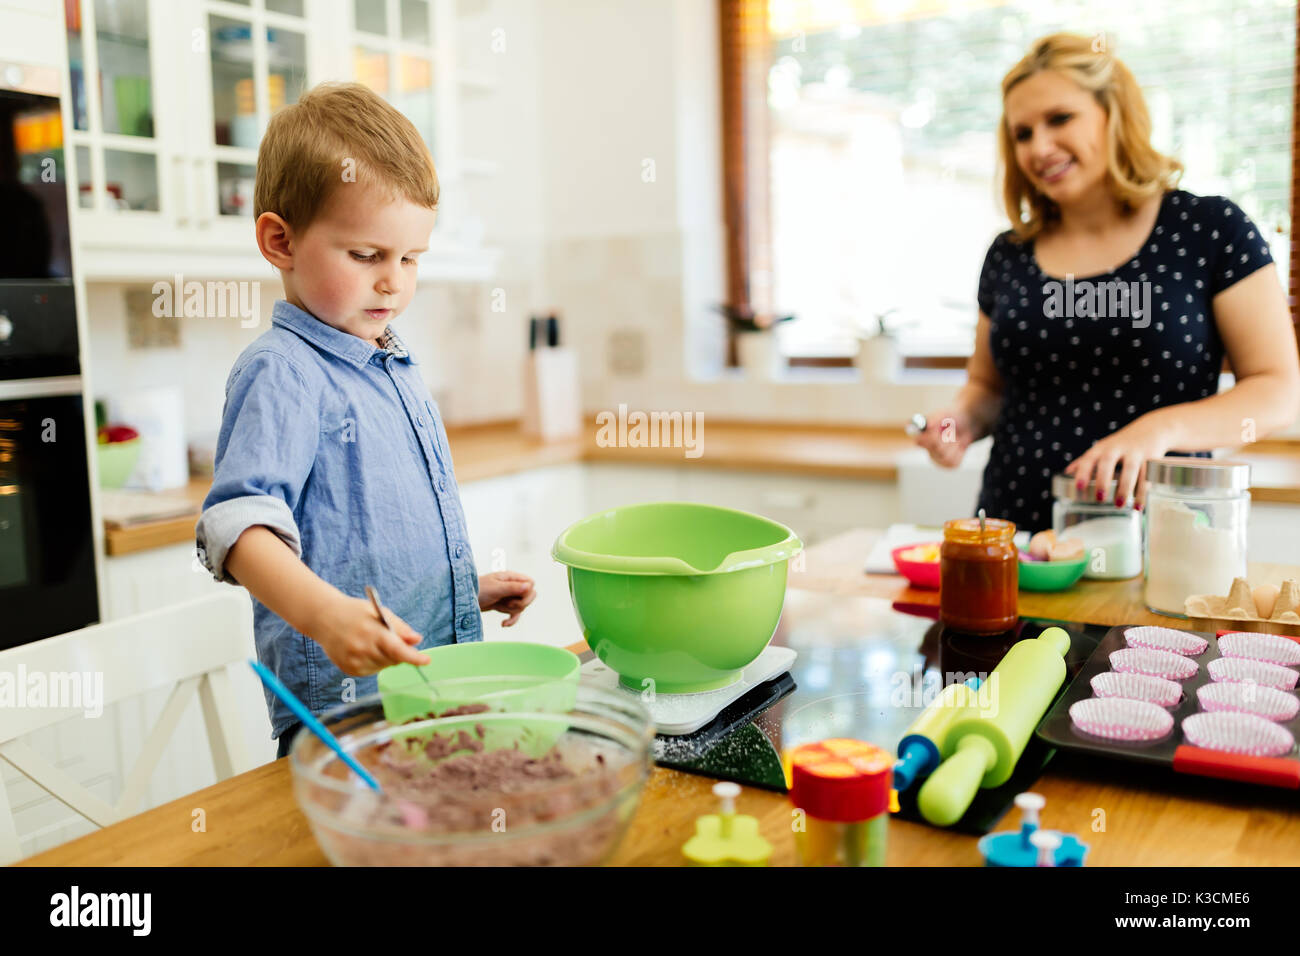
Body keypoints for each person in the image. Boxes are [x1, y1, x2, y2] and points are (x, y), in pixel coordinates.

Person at [196, 82, 536, 759]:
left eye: (410, 259)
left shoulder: (392, 366)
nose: (394, 282)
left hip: (425, 702)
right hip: (345, 724)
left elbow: (366, 544)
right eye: (367, 256)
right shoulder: (284, 370)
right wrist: (325, 618)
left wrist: (456, 590)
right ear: (280, 240)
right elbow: (237, 528)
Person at [915, 33, 1300, 532]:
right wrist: (960, 421)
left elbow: (1277, 390)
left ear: (1113, 113)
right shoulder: (1008, 253)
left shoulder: (1210, 229)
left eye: (1059, 119)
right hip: (1016, 541)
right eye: (1022, 133)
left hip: (1163, 538)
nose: (1039, 147)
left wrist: (1160, 429)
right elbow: (987, 387)